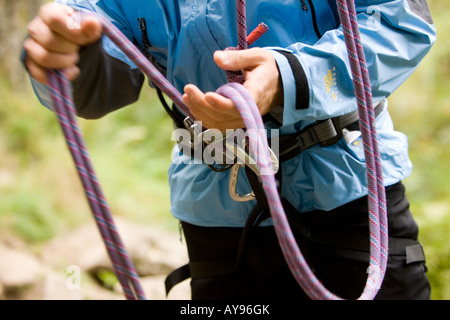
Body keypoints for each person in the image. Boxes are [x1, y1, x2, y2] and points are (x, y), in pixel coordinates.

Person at [23, 0, 436, 300]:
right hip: (219, 220)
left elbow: (401, 23)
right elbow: (97, 65)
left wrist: (287, 78)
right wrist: (68, 52)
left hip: (350, 192)